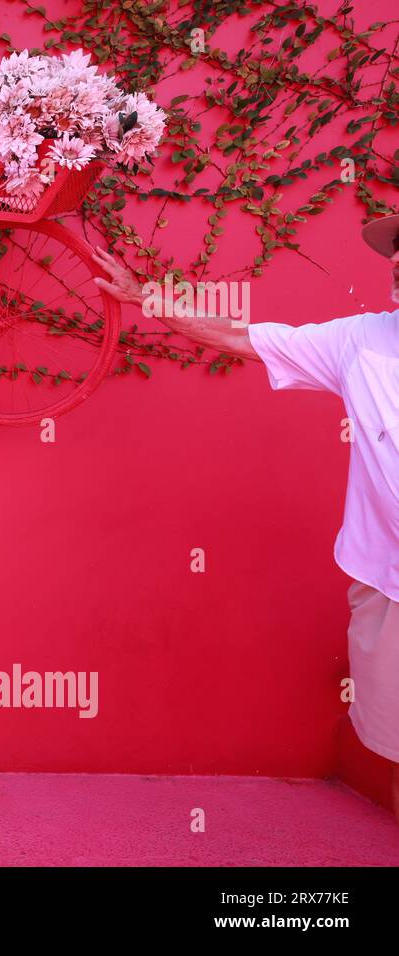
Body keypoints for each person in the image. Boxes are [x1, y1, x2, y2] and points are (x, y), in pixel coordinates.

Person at [92, 213, 399, 825]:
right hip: (388, 579)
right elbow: (240, 336)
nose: (398, 261)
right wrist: (144, 296)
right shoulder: (359, 342)